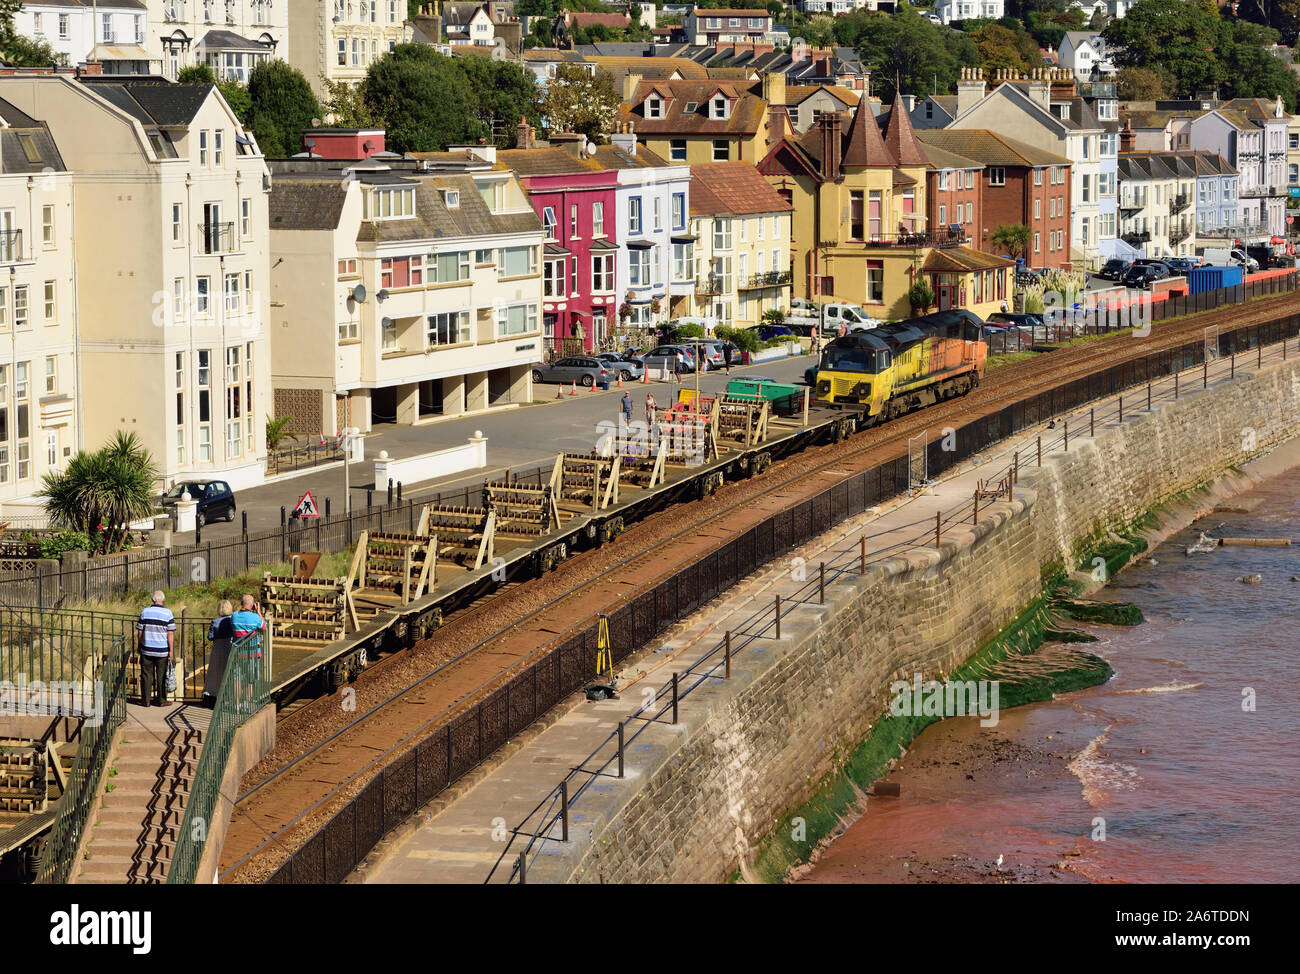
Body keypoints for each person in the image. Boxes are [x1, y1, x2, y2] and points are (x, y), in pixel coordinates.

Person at [135, 591, 174, 707]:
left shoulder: (145, 612)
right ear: (163, 600)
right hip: (162, 650)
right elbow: (170, 634)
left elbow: (140, 632)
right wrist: (171, 650)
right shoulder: (168, 613)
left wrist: (139, 645)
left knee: (146, 674)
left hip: (147, 649)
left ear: (153, 600)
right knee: (161, 675)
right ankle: (161, 700)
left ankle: (146, 700)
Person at [231, 594, 266, 713]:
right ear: (252, 605)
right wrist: (259, 611)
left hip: (238, 653)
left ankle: (236, 705)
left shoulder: (234, 616)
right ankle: (246, 704)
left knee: (237, 679)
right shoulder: (255, 618)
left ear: (242, 604)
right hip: (252, 653)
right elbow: (263, 626)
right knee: (250, 680)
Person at [203, 599, 235, 703]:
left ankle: (213, 696)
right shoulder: (233, 620)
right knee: (228, 672)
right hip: (229, 647)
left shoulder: (215, 621)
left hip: (217, 648)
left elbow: (210, 637)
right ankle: (228, 697)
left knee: (215, 673)